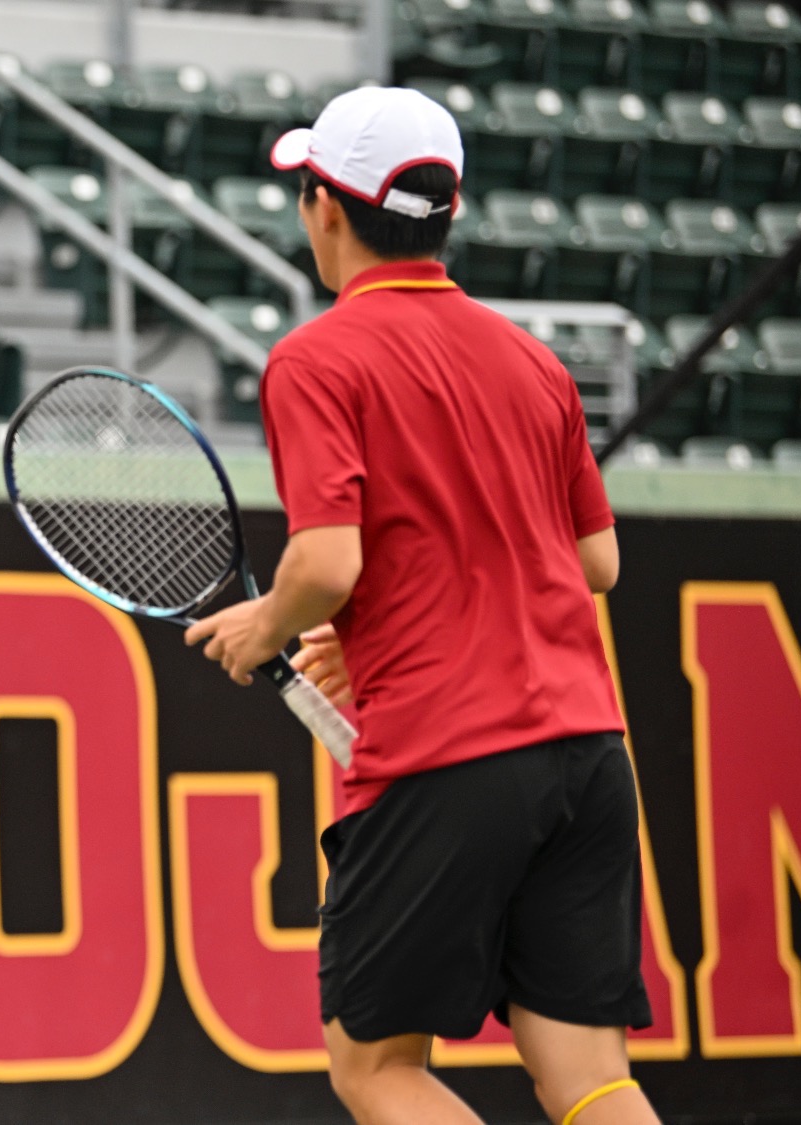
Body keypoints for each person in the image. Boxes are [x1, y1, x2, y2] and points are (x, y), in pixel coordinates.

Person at [185, 87, 662, 1125]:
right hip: (586, 755)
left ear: (322, 207)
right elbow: (595, 560)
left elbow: (324, 561)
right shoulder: (534, 363)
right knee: (587, 1077)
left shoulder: (315, 358)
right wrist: (387, 625)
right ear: (442, 211)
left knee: (373, 1067)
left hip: (446, 757)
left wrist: (264, 626)